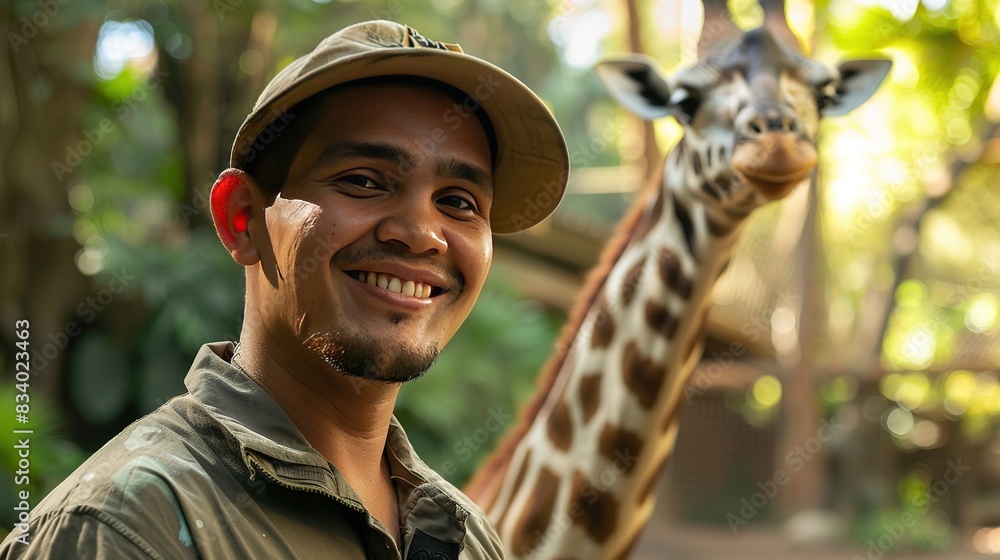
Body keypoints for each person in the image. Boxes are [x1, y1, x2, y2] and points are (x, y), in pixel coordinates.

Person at [0, 20, 568, 559]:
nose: (421, 235)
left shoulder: (468, 538)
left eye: (459, 203)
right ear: (242, 217)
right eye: (364, 181)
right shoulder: (127, 527)